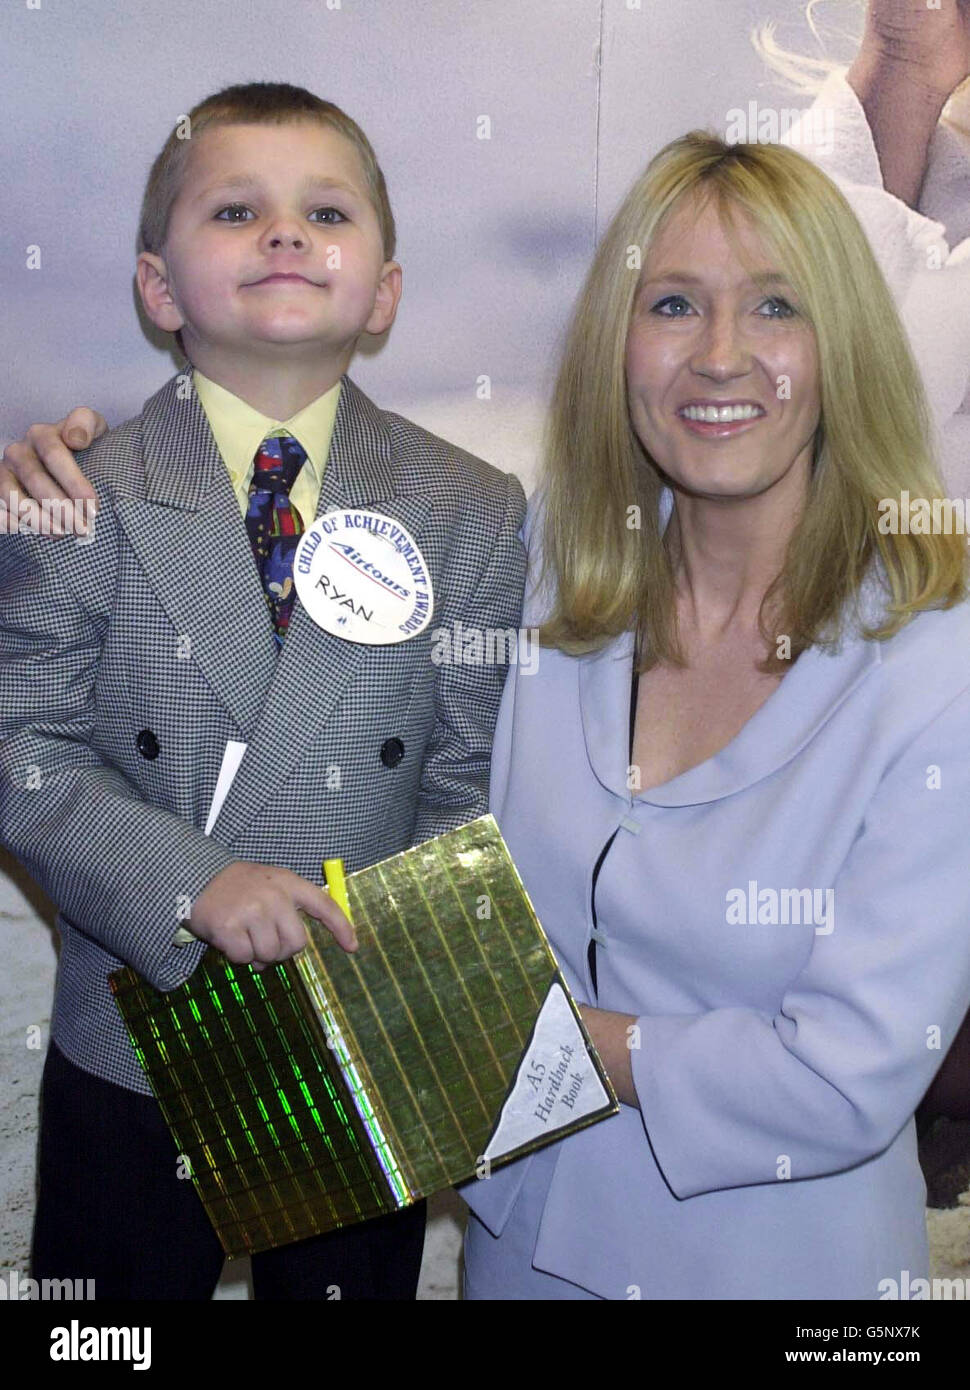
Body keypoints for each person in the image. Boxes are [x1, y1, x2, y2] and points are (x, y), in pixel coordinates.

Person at [0, 81, 525, 1301]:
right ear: (157, 287)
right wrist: (194, 886)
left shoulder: (475, 508)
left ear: (383, 290)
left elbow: (469, 778)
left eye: (325, 212)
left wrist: (401, 976)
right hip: (131, 1043)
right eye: (236, 211)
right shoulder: (82, 492)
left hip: (354, 1045)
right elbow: (20, 745)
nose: (285, 235)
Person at [457, 130, 970, 1299]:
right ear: (616, 345)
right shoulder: (549, 562)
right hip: (516, 1248)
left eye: (775, 307)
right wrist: (100, 483)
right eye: (675, 303)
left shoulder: (942, 656)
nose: (722, 356)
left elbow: (846, 1076)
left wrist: (563, 1043)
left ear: (843, 348)